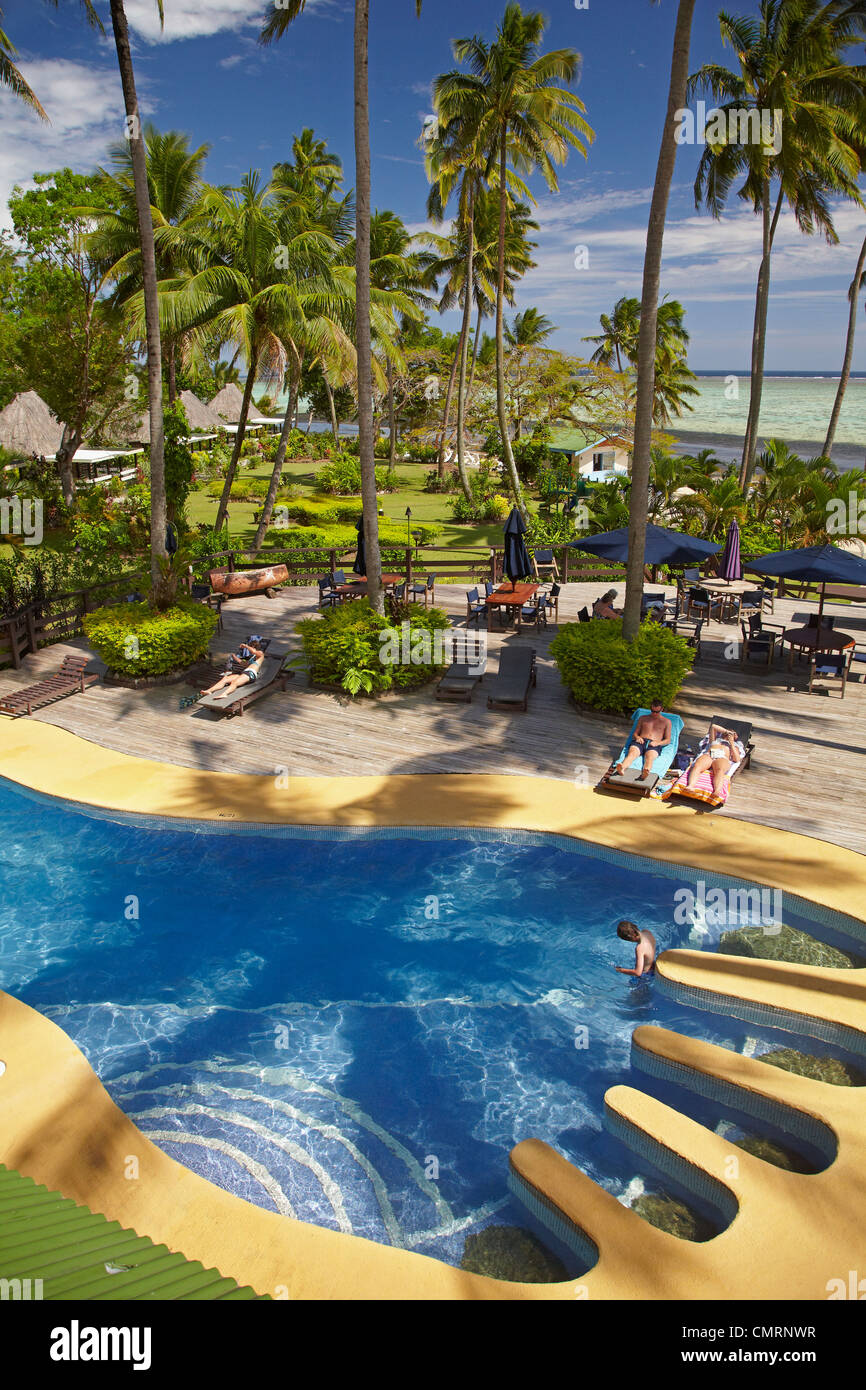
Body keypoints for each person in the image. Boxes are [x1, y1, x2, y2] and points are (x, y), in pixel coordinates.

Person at [610, 699, 672, 781]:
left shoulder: (666, 722)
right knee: (632, 754)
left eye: (657, 712)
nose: (654, 714)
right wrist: (638, 737)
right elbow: (635, 734)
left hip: (654, 744)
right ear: (650, 708)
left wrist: (657, 743)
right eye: (652, 711)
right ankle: (622, 767)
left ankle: (645, 772)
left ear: (662, 709)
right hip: (641, 741)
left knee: (649, 757)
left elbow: (668, 740)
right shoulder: (643, 718)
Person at [686, 722, 743, 798]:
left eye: (733, 734)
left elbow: (737, 759)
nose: (730, 734)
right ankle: (690, 786)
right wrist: (727, 731)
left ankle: (716, 791)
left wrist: (732, 743)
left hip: (722, 758)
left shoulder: (735, 746)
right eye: (729, 733)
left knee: (720, 771)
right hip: (709, 755)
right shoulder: (715, 740)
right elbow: (713, 726)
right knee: (697, 766)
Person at [201, 642, 267, 699]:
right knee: (225, 678)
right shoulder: (252, 658)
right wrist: (234, 656)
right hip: (244, 673)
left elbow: (254, 651)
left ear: (253, 647)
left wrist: (245, 646)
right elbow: (243, 664)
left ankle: (225, 694)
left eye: (250, 648)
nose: (249, 651)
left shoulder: (261, 654)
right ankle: (209, 691)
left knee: (234, 682)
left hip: (250, 674)